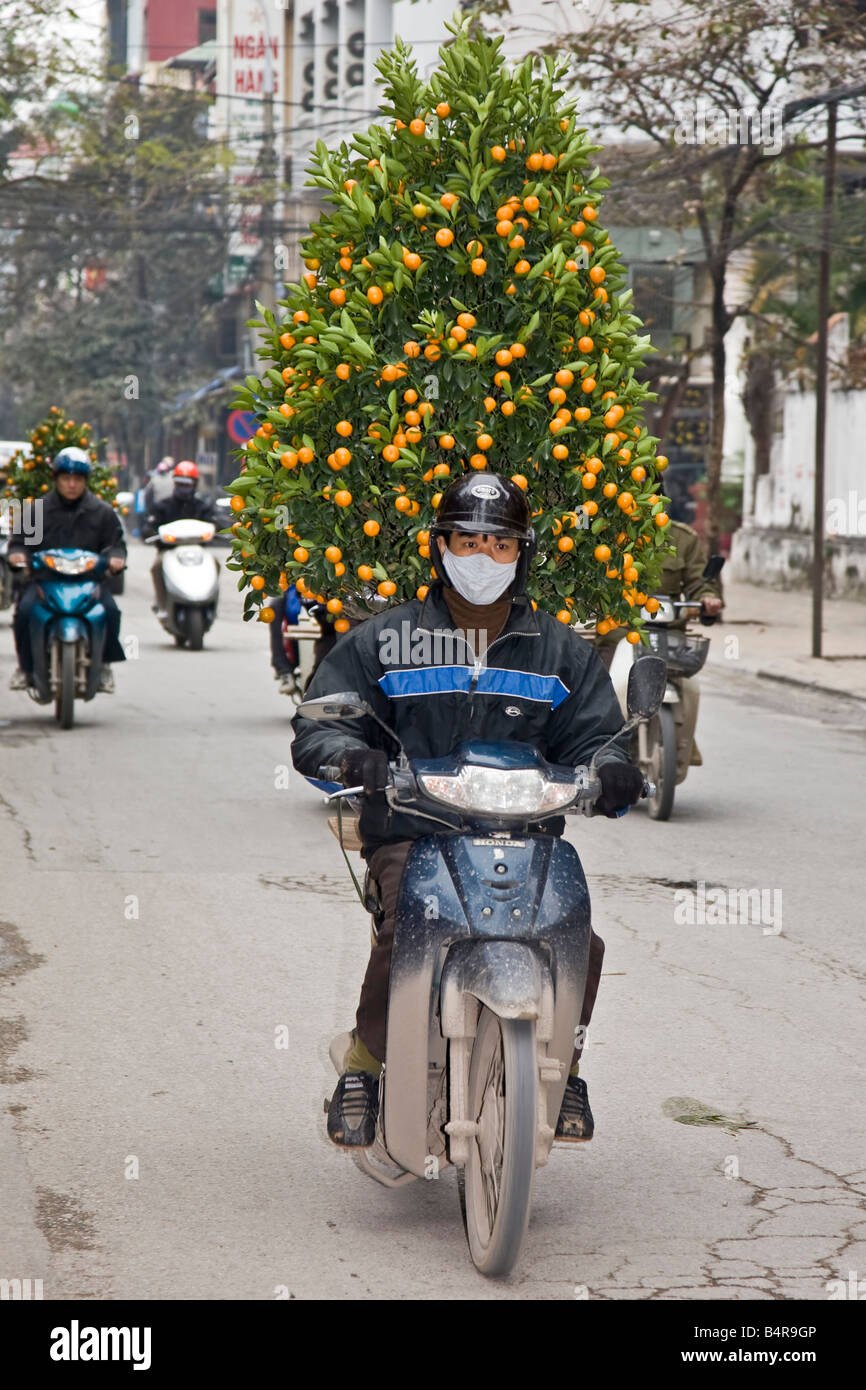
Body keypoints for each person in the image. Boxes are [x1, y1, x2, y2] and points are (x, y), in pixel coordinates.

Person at [291, 474, 644, 1149]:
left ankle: (565, 1067)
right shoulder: (386, 640)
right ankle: (365, 1067)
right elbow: (319, 725)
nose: (482, 557)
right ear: (440, 547)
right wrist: (349, 757)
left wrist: (612, 771)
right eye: (468, 540)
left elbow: (597, 736)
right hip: (414, 832)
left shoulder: (561, 650)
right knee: (408, 929)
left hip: (528, 837)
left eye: (500, 544)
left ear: (523, 555)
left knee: (582, 939)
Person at [595, 517, 723, 780]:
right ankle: (603, 752)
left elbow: (699, 583)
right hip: (620, 632)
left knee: (691, 691)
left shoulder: (683, 538)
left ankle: (680, 754)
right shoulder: (608, 531)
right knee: (611, 687)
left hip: (667, 634)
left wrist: (707, 599)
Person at [7, 447, 127, 692]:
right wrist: (17, 554)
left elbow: (116, 545)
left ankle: (104, 666)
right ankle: (25, 669)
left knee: (111, 611)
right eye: (66, 478)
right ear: (56, 479)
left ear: (85, 481)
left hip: (89, 582)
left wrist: (116, 558)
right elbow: (19, 543)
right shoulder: (37, 511)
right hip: (45, 581)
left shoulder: (102, 512)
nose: (72, 484)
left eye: (78, 479)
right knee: (24, 613)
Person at [141, 461, 216, 616]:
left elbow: (214, 522)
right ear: (174, 483)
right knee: (156, 567)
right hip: (169, 552)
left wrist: (220, 529)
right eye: (180, 483)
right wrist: (150, 532)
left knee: (215, 564)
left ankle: (210, 604)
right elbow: (149, 525)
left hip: (198, 552)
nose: (183, 487)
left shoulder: (201, 507)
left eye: (187, 484)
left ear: (194, 484)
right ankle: (162, 603)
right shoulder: (162, 506)